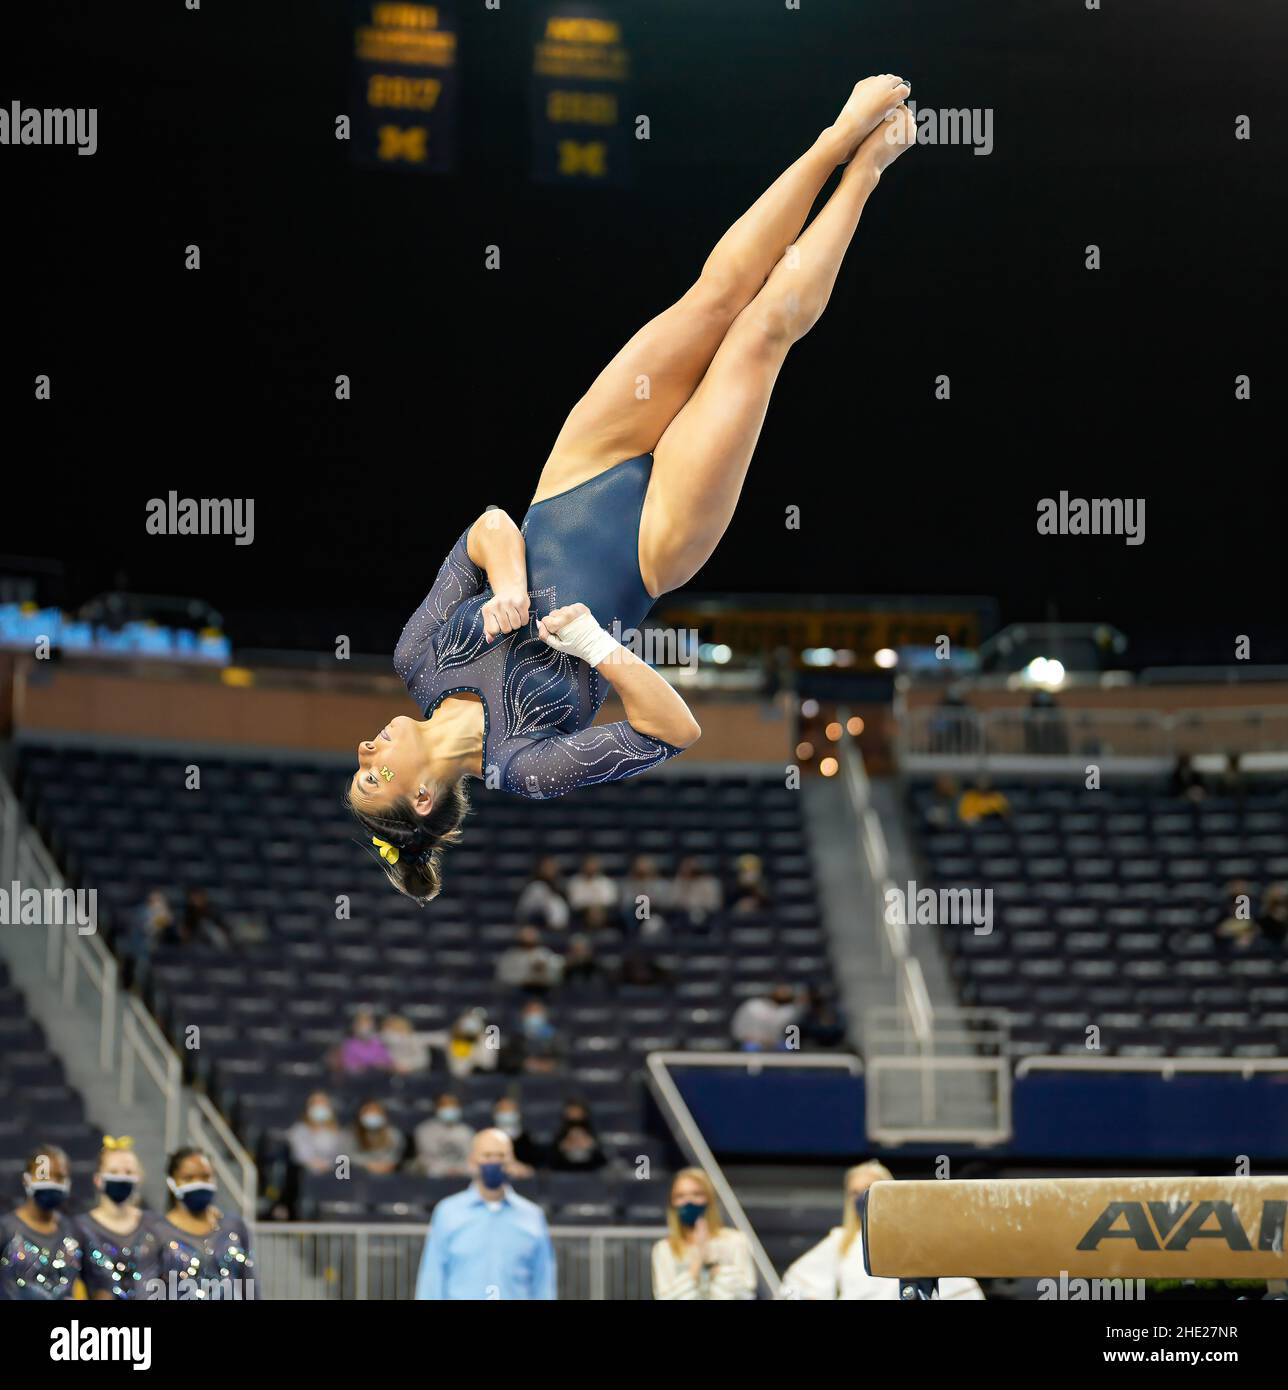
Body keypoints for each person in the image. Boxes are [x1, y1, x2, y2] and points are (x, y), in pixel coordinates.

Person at [344, 76, 918, 903]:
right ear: (422, 797)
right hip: (653, 543)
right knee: (757, 337)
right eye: (373, 780)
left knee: (716, 297)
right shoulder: (524, 766)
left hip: (575, 473)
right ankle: (866, 172)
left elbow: (488, 524)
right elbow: (671, 729)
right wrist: (597, 650)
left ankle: (836, 137)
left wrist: (507, 585)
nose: (364, 755)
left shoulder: (418, 659)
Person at [780, 1162, 985, 1300]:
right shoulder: (841, 1241)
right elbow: (797, 1283)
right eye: (854, 1192)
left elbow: (962, 1291)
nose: (861, 1197)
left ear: (888, 1192)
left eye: (868, 1189)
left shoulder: (916, 1239)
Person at [414, 1129, 556, 1300]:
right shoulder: (448, 1212)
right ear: (473, 1160)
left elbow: (543, 1282)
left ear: (511, 1160)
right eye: (487, 1155)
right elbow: (432, 1276)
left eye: (501, 1155)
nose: (494, 1161)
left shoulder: (532, 1216)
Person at [155, 1147, 257, 1299]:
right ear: (172, 1181)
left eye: (205, 1176)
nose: (198, 1184)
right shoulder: (157, 1232)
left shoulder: (234, 1226)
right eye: (189, 1178)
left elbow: (249, 1286)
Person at [77, 1136, 162, 1300]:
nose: (122, 1177)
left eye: (128, 1172)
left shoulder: (156, 1225)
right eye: (114, 1172)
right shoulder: (80, 1228)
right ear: (98, 1179)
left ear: (138, 1178)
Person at [651, 1168, 755, 1300]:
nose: (688, 1202)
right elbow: (665, 1297)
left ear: (709, 1199)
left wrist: (716, 1271)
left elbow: (745, 1293)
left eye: (696, 1194)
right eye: (680, 1196)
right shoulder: (663, 1249)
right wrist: (697, 1262)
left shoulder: (736, 1241)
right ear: (672, 1202)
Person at [0, 1144, 85, 1300]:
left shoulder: (74, 1230)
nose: (51, 1182)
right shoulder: (5, 1229)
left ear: (68, 1183)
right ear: (26, 1179)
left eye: (58, 1177)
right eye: (43, 1175)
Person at [413, 1094, 474, 1177]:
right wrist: (445, 1170)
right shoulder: (424, 1130)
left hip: (463, 1176)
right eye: (444, 1105)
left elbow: (470, 1157)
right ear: (436, 1108)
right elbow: (426, 1158)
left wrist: (460, 1170)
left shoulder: (467, 1131)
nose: (449, 1108)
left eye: (453, 1105)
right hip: (434, 1177)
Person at [287, 1091, 346, 1174]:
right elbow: (300, 1155)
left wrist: (329, 1165)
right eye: (316, 1104)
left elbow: (341, 1154)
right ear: (308, 1108)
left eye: (323, 1104)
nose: (320, 1107)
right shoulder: (299, 1130)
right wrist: (313, 1163)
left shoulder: (337, 1132)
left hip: (333, 1174)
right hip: (305, 1174)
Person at [731, 983, 802, 1050]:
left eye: (786, 992)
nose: (783, 993)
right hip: (753, 1042)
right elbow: (739, 1030)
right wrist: (756, 1039)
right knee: (751, 1047)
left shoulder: (788, 1011)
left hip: (775, 1043)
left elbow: (788, 1033)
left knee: (787, 1047)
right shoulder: (752, 1006)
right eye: (781, 991)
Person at [501, 1000, 563, 1075]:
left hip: (550, 1080)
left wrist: (547, 1065)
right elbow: (508, 1061)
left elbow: (563, 1062)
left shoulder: (556, 1038)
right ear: (523, 1015)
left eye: (537, 1012)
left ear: (544, 1015)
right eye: (529, 1012)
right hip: (522, 1079)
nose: (533, 1016)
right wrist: (523, 1063)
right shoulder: (515, 1038)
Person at [495, 926, 565, 994]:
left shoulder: (544, 953)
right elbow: (504, 976)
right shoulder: (511, 955)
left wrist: (544, 970)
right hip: (517, 992)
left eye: (532, 935)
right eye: (526, 935)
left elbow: (557, 974)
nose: (529, 937)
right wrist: (526, 977)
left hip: (544, 991)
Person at [620, 854, 673, 936]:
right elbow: (626, 903)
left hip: (655, 915)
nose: (643, 877)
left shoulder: (661, 885)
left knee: (653, 924)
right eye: (640, 873)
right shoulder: (629, 885)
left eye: (646, 872)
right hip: (634, 916)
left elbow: (665, 904)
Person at [349, 1100, 405, 1174]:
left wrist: (383, 1165)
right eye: (368, 1112)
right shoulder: (350, 1133)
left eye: (375, 1112)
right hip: (358, 1174)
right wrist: (367, 1164)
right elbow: (349, 1155)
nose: (372, 1115)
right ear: (360, 1115)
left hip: (387, 1173)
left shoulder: (394, 1134)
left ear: (383, 1115)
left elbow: (395, 1155)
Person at [515, 856, 571, 930]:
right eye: (547, 867)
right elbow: (524, 913)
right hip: (539, 928)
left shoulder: (561, 888)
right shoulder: (536, 887)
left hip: (560, 929)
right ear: (540, 869)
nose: (550, 870)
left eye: (552, 867)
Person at [337, 1008, 395, 1075]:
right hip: (357, 1077)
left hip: (377, 1075)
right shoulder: (349, 1043)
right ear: (355, 1026)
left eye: (367, 1024)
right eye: (361, 1024)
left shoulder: (378, 1041)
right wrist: (360, 1067)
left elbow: (387, 1060)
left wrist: (381, 1064)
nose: (364, 1028)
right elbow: (347, 1063)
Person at [671, 856, 723, 930]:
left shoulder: (710, 882)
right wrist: (685, 883)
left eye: (694, 869)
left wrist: (698, 905)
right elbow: (674, 902)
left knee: (699, 915)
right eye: (687, 867)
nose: (691, 871)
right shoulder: (679, 882)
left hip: (707, 915)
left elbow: (714, 904)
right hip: (684, 916)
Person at [566, 854, 618, 928]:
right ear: (583, 866)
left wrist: (595, 906)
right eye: (588, 864)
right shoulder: (575, 882)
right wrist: (590, 907)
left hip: (603, 913)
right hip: (581, 915)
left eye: (593, 864)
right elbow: (574, 902)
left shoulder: (606, 882)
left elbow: (610, 900)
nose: (591, 867)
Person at [492, 1098, 541, 1175]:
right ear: (495, 1114)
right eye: (502, 1109)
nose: (506, 1113)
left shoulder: (528, 1140)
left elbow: (536, 1168)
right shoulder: (488, 1140)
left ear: (518, 1113)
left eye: (510, 1109)